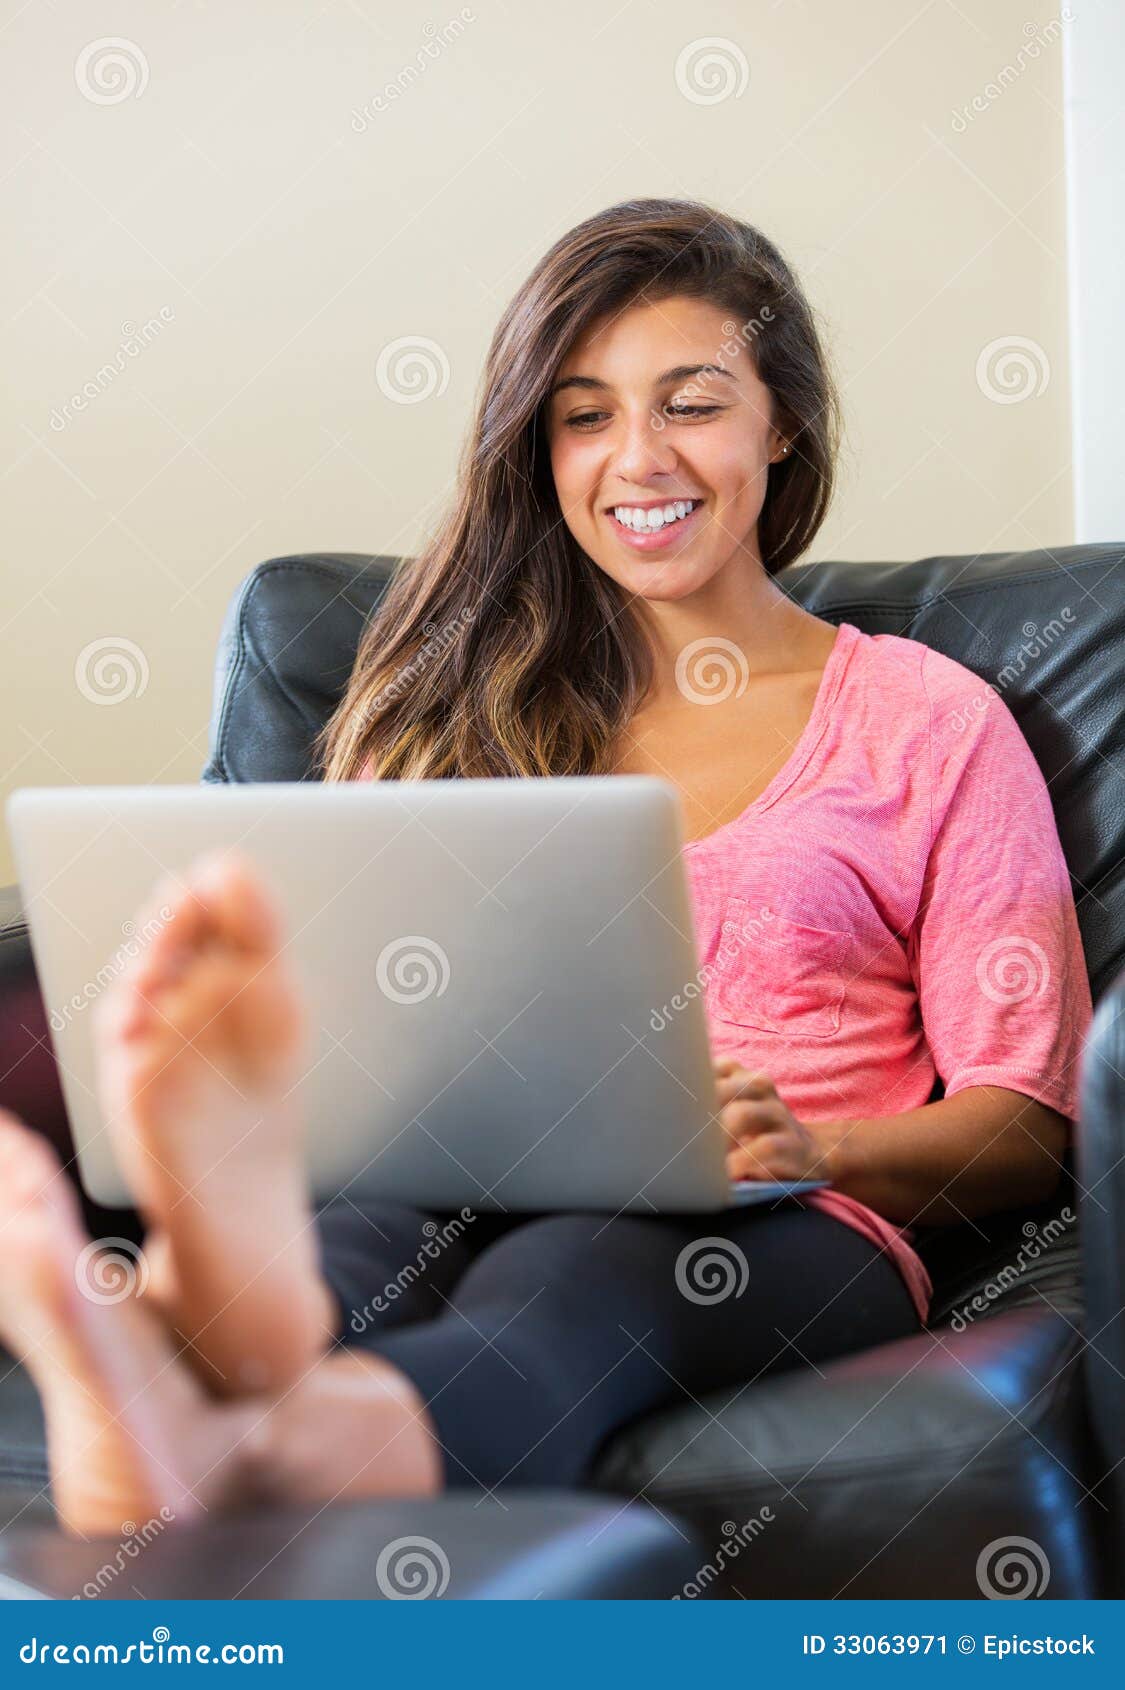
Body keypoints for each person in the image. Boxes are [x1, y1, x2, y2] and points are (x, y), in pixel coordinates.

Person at [0, 199, 1091, 1537]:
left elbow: (1029, 1122)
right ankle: (211, 1340)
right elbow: (363, 1026)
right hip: (445, 1176)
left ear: (781, 422)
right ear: (538, 446)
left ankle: (232, 1444)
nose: (636, 457)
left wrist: (824, 1142)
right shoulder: (453, 703)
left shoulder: (925, 721)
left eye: (689, 402)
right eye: (583, 415)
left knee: (579, 1274)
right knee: (353, 1240)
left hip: (782, 1215)